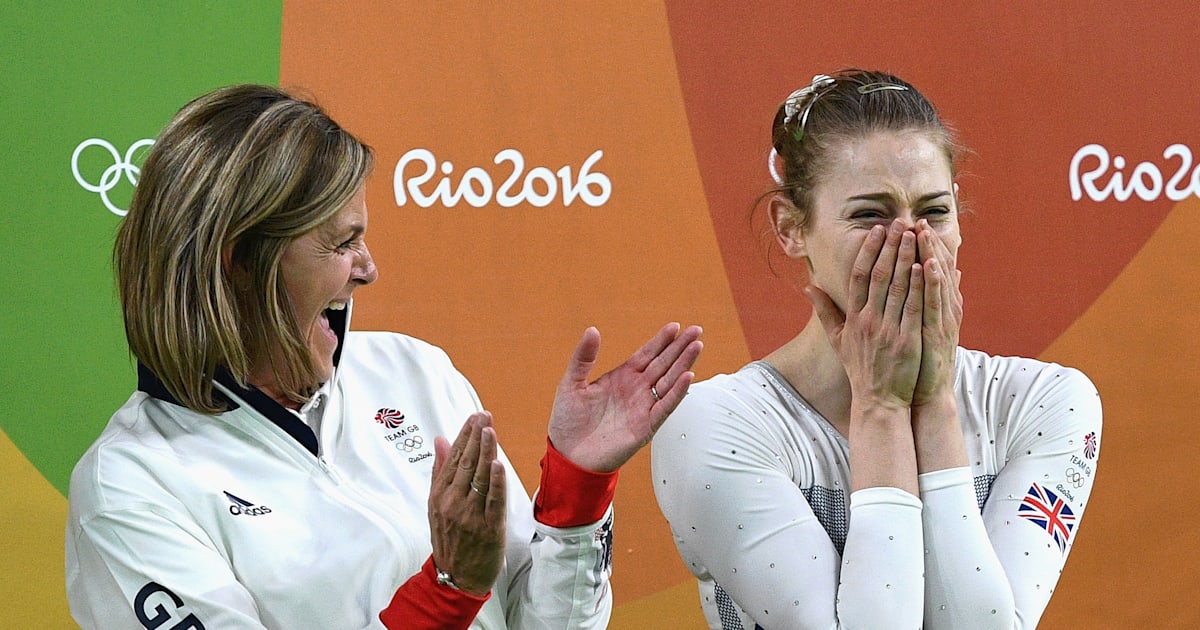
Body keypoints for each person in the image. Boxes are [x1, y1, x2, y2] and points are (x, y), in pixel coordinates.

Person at [65, 84, 703, 630]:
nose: (368, 270)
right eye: (343, 243)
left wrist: (575, 492)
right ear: (239, 262)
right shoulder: (129, 485)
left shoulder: (411, 370)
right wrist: (447, 591)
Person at [651, 69, 1102, 629]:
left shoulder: (1045, 401)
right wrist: (881, 407)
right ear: (791, 228)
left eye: (934, 212)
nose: (911, 240)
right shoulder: (712, 422)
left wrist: (933, 405)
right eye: (870, 214)